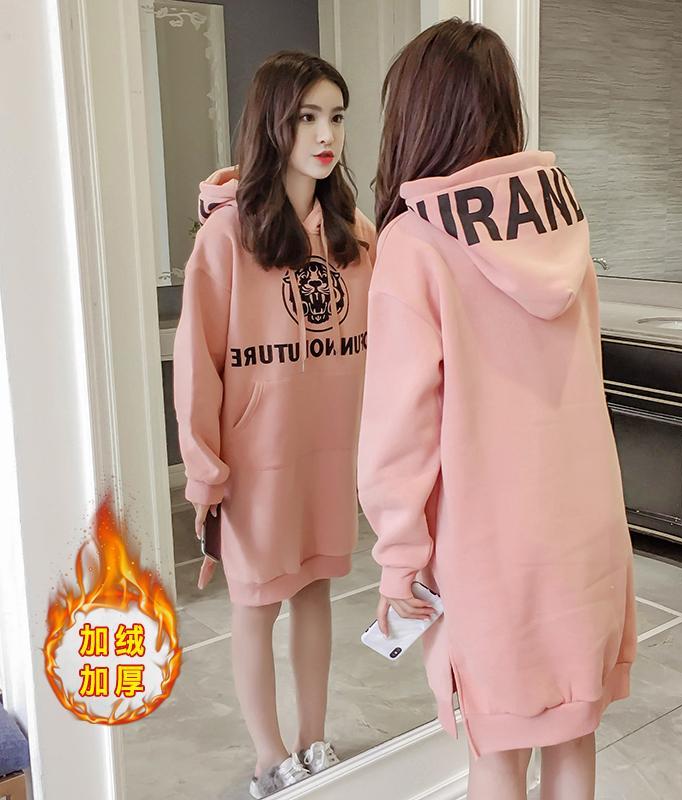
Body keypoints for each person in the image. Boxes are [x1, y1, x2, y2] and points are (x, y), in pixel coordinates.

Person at [357, 19, 637, 800]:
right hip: (587, 533)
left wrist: (398, 561)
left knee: (498, 754)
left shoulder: (415, 243)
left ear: (418, 117)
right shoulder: (564, 222)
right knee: (573, 735)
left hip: (488, 551)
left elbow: (398, 434)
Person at [173, 51, 375, 799]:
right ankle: (268, 756)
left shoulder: (356, 235)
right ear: (273, 125)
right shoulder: (226, 238)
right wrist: (206, 472)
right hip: (257, 463)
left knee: (315, 592)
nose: (326, 135)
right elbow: (197, 364)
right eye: (307, 117)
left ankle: (314, 739)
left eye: (336, 118)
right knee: (255, 606)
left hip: (328, 456)